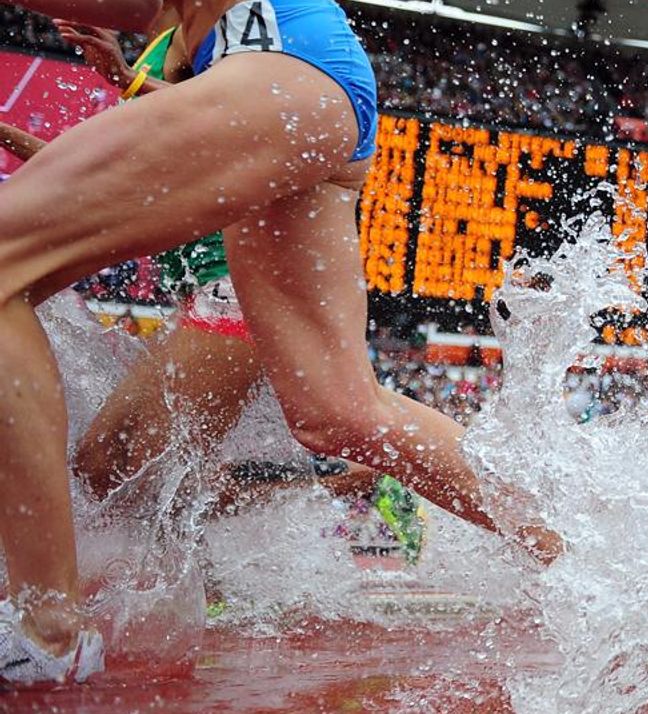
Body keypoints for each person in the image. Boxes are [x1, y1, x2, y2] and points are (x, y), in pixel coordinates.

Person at [0, 0, 559, 685]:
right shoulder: (208, 63)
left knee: (120, 463)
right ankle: (585, 555)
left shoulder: (229, 54)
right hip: (312, 85)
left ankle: (47, 625)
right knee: (338, 412)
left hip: (280, 72)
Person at [0, 20, 429, 560]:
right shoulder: (170, 37)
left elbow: (246, 130)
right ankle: (339, 494)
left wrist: (130, 83)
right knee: (146, 476)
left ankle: (185, 590)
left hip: (236, 287)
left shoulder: (210, 28)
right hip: (213, 292)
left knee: (117, 469)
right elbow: (88, 177)